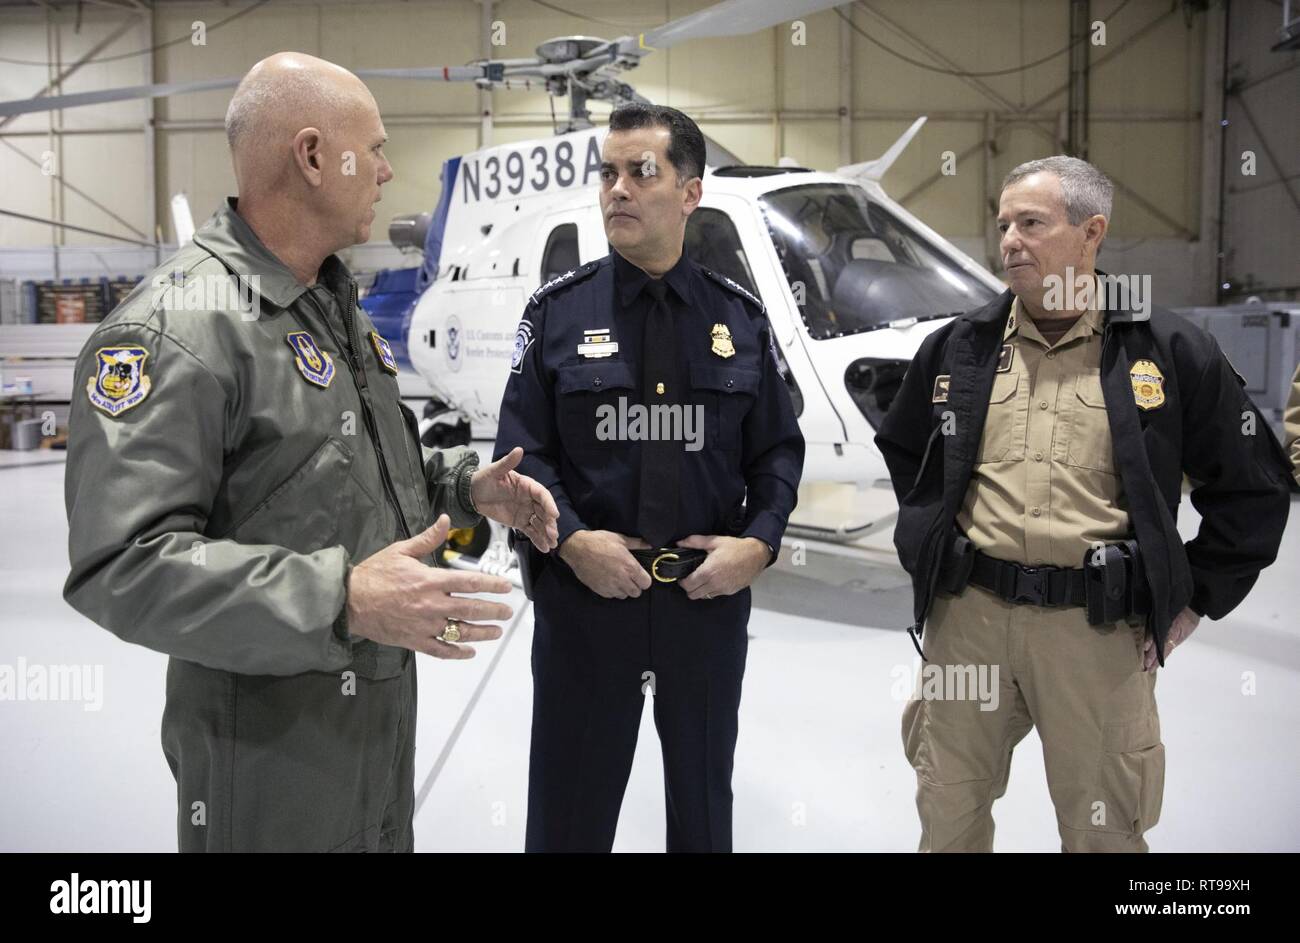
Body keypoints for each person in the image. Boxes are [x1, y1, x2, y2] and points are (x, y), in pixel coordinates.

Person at [63, 52, 559, 852]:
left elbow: (355, 473)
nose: (391, 170)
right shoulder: (175, 330)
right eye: (377, 146)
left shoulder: (331, 310)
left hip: (368, 733)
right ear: (314, 155)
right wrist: (343, 599)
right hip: (268, 758)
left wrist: (468, 489)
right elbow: (120, 564)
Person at [875, 155, 1295, 852]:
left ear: (1091, 231)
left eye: (1031, 223)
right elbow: (906, 447)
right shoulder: (961, 347)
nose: (1009, 239)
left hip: (1097, 633)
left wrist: (1193, 597)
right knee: (948, 811)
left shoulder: (1167, 350)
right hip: (967, 621)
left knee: (1105, 828)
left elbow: (1252, 485)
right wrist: (929, 544)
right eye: (1003, 222)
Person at [494, 103, 805, 852]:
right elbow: (522, 453)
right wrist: (570, 542)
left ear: (690, 193)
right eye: (608, 173)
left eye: (642, 172)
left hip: (704, 604)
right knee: (569, 811)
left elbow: (777, 453)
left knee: (701, 811)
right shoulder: (558, 315)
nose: (617, 191)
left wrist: (757, 546)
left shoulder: (740, 320)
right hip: (586, 607)